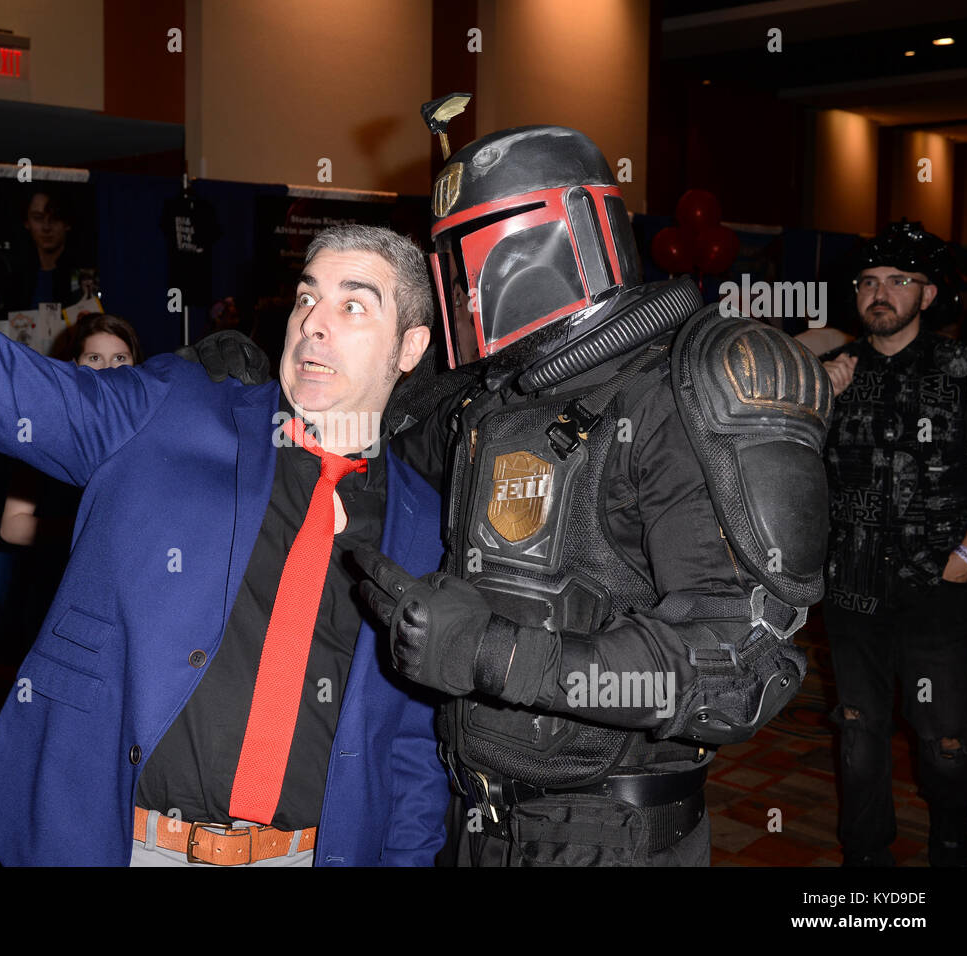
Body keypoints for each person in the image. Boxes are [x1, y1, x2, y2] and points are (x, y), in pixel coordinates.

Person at [0, 118, 446, 866]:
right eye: (308, 298)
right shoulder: (172, 412)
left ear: (411, 347)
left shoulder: (425, 522)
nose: (315, 327)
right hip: (129, 844)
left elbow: (410, 744)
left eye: (354, 305)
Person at [347, 126, 834, 865]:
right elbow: (396, 423)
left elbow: (736, 670)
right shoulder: (505, 397)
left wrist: (492, 657)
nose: (462, 290)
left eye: (468, 259)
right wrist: (253, 392)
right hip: (479, 821)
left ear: (537, 247)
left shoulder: (679, 394)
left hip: (612, 837)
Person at [820, 220, 967, 867]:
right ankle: (866, 860)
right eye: (868, 281)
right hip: (851, 587)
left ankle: (949, 832)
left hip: (935, 588)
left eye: (897, 281)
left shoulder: (964, 369)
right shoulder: (833, 374)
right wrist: (815, 381)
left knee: (943, 735)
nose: (879, 293)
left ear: (928, 295)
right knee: (858, 731)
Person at [0, 314, 144, 655]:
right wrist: (82, 532)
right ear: (74, 364)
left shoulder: (148, 431)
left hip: (125, 596)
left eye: (120, 358)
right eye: (94, 358)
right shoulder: (44, 430)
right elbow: (10, 527)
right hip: (58, 586)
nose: (108, 370)